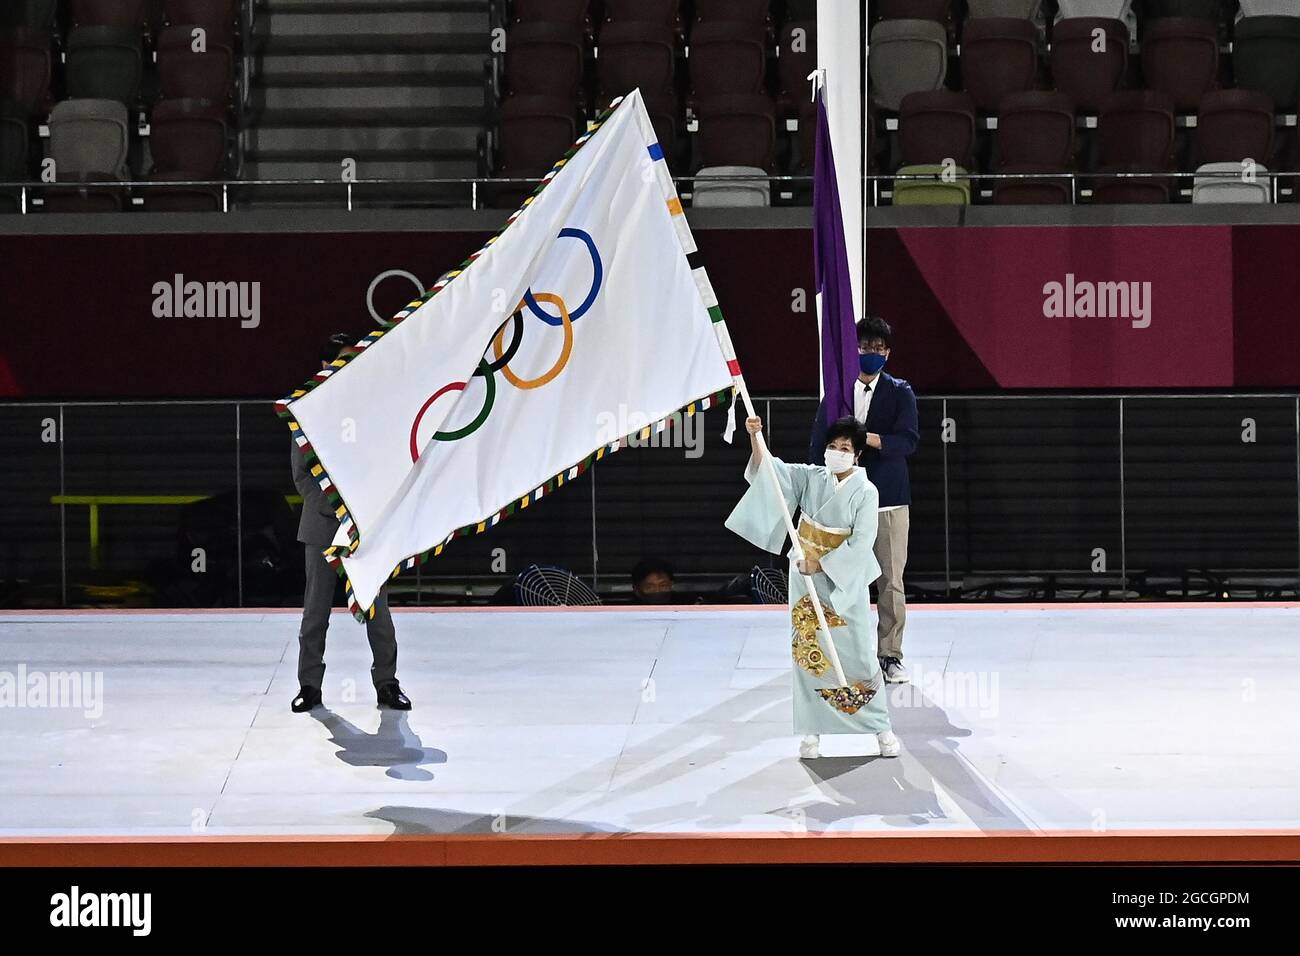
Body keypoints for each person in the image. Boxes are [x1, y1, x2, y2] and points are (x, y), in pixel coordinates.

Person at [727, 414, 898, 760]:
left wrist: (820, 563)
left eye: (845, 448)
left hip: (843, 581)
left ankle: (881, 730)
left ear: (858, 455)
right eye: (832, 446)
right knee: (808, 652)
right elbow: (770, 474)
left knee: (859, 656)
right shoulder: (811, 476)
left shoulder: (866, 492)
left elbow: (863, 542)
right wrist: (755, 437)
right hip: (803, 579)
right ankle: (811, 734)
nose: (836, 452)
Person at [289, 332, 410, 713]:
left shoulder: (369, 409)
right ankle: (309, 686)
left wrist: (363, 511)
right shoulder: (306, 410)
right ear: (325, 366)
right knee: (316, 613)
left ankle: (387, 684)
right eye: (341, 360)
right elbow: (303, 478)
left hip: (364, 530)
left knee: (378, 611)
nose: (347, 367)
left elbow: (381, 465)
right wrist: (336, 510)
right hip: (323, 528)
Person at [808, 316, 919, 684]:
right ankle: (837, 652)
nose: (870, 354)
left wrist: (866, 438)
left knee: (890, 581)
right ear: (851, 350)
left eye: (878, 349)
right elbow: (817, 445)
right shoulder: (837, 392)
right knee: (839, 577)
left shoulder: (900, 391)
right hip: (842, 503)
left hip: (888, 501)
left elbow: (908, 442)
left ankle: (890, 654)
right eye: (863, 347)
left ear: (887, 353)